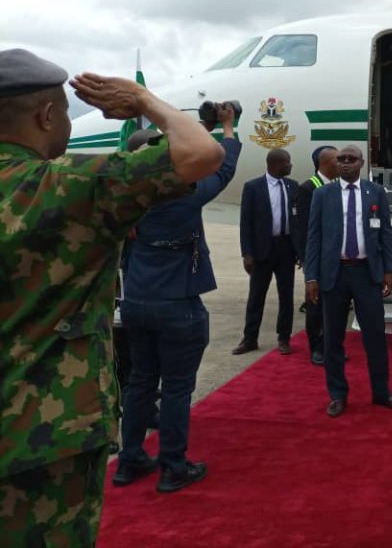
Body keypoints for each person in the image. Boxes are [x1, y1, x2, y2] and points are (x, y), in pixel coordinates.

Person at [0, 50, 224, 546]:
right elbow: (202, 154)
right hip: (37, 436)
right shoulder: (65, 187)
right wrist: (145, 99)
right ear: (47, 116)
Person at [114, 103, 241, 493]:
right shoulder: (181, 193)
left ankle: (129, 460)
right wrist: (227, 126)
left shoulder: (122, 196)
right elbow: (222, 166)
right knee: (175, 388)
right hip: (177, 305)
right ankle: (172, 466)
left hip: (135, 302)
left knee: (139, 383)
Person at [304, 145, 392, 417]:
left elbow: (386, 233)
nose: (346, 163)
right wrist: (311, 276)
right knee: (333, 339)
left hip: (366, 273)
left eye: (351, 159)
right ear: (336, 164)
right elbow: (313, 238)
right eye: (341, 160)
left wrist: (390, 269)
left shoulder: (376, 193)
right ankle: (337, 395)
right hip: (333, 274)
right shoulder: (322, 194)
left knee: (375, 335)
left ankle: (381, 392)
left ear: (362, 163)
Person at [233, 149, 298, 356]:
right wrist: (247, 254)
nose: (290, 165)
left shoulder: (292, 186)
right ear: (275, 163)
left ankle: (284, 338)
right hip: (262, 250)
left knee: (286, 296)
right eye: (287, 162)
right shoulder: (253, 187)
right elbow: (246, 223)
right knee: (256, 296)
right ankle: (250, 338)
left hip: (286, 248)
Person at [292, 144, 338, 365]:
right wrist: (305, 259)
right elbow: (301, 229)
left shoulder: (339, 185)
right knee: (315, 306)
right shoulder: (308, 188)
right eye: (337, 160)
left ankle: (331, 346)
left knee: (335, 307)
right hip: (317, 258)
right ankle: (316, 348)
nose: (342, 164)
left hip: (336, 257)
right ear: (326, 164)